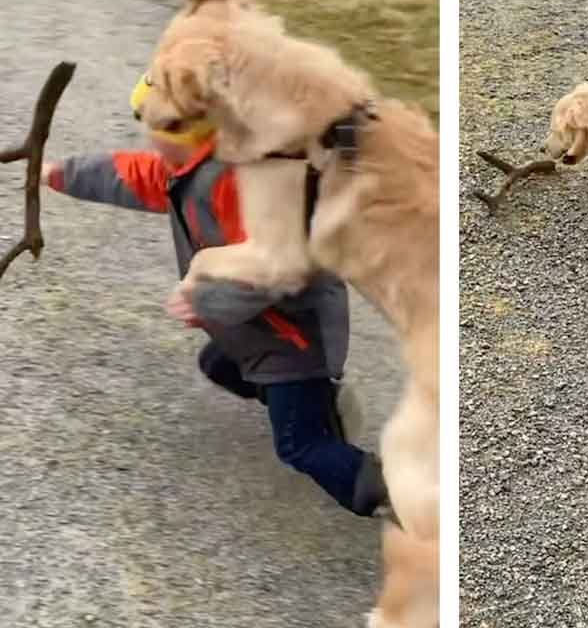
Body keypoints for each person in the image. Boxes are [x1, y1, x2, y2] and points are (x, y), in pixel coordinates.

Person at [40, 73, 392, 517]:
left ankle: (395, 493)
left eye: (155, 128)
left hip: (294, 338)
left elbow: (272, 268)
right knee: (219, 365)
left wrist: (203, 299)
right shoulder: (186, 167)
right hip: (253, 331)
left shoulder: (240, 182)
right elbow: (137, 177)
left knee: (301, 446)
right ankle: (320, 406)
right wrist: (63, 174)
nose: (149, 140)